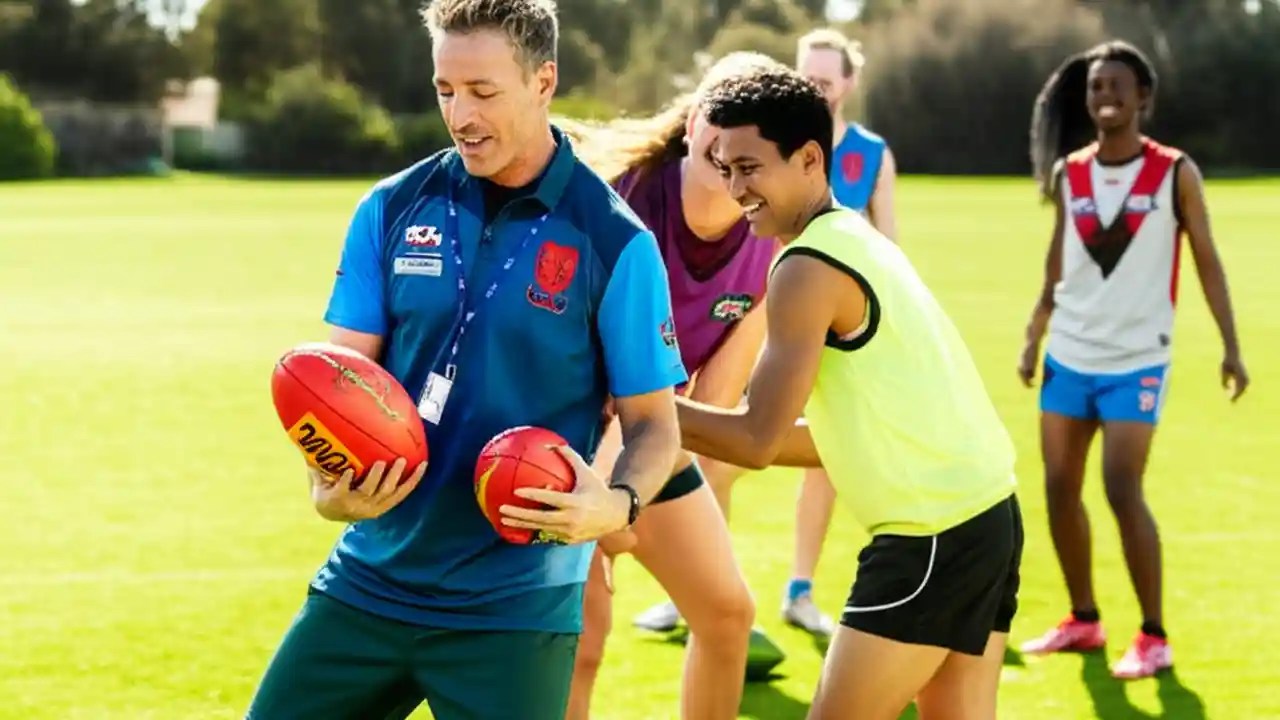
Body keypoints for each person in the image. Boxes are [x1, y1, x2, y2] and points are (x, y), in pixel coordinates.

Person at [243, 2, 687, 718]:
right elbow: (336, 380)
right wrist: (324, 484)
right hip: (369, 582)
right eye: (445, 89)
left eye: (483, 92)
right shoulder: (388, 208)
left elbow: (655, 427)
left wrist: (615, 504)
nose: (460, 115)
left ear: (544, 81)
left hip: (513, 605)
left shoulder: (615, 241)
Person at [671, 63, 1024, 720]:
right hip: (987, 514)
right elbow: (823, 436)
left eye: (749, 167)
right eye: (724, 168)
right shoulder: (854, 235)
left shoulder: (805, 267)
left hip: (931, 536)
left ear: (808, 158)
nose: (734, 187)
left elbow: (753, 440)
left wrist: (644, 405)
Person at [550, 51, 782, 720]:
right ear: (691, 124)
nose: (730, 144)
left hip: (656, 442)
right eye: (720, 120)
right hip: (566, 437)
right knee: (581, 640)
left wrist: (644, 495)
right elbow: (564, 358)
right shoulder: (616, 198)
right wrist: (607, 498)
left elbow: (712, 401)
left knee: (727, 614)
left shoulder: (767, 239)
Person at [1017, 40, 1249, 680]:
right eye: (1096, 87)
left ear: (1144, 97)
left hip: (1137, 359)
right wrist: (1035, 333)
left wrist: (1231, 346)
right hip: (1071, 350)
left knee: (1121, 486)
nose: (1106, 96)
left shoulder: (1175, 172)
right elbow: (1058, 258)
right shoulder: (1071, 174)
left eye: (1119, 86)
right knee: (1059, 486)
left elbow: (1206, 258)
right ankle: (1083, 620)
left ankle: (1153, 635)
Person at [782, 28, 900, 636]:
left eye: (826, 80)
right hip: (772, 322)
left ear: (848, 83)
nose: (816, 89)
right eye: (808, 78)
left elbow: (890, 251)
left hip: (842, 337)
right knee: (716, 450)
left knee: (827, 459)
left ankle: (801, 590)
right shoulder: (777, 144)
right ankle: (690, 583)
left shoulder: (872, 154)